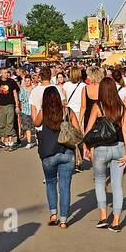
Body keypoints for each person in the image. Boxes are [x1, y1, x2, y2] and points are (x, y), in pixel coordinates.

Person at [83, 76, 126, 232]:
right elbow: (124, 130)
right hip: (119, 147)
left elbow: (88, 130)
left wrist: (86, 147)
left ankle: (103, 217)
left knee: (99, 181)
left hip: (101, 149)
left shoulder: (98, 107)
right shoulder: (121, 107)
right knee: (117, 185)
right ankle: (116, 221)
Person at [33, 85, 73, 228]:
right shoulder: (66, 111)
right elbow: (77, 129)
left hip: (48, 153)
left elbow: (36, 123)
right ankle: (63, 220)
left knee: (50, 182)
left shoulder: (44, 111)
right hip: (67, 152)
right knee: (65, 186)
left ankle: (53, 214)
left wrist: (40, 110)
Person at [0, 66, 20, 149]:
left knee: (10, 122)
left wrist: (16, 105)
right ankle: (4, 141)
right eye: (4, 73)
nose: (6, 74)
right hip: (1, 105)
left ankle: (10, 141)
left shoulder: (11, 82)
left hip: (10, 104)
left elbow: (15, 94)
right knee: (2, 123)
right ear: (0, 74)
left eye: (7, 72)